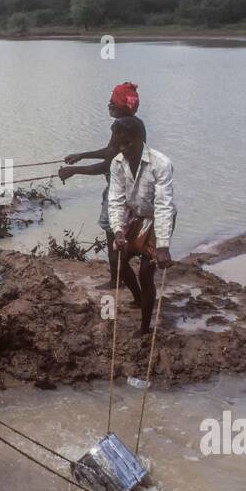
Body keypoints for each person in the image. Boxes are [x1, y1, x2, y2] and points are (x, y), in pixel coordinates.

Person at [57, 82, 141, 296]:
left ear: (122, 106)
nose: (109, 105)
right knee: (119, 236)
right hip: (132, 189)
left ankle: (116, 282)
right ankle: (122, 279)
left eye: (112, 101)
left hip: (118, 192)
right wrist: (81, 155)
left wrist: (74, 171)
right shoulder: (134, 124)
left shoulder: (121, 125)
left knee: (113, 239)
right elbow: (110, 151)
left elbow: (107, 165)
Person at [107, 115, 175, 337]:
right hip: (133, 215)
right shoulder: (117, 163)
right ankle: (138, 298)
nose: (123, 148)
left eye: (128, 143)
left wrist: (163, 245)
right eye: (119, 144)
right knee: (118, 259)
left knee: (146, 272)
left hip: (157, 217)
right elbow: (115, 200)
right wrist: (118, 230)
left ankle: (145, 327)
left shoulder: (160, 163)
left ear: (140, 139)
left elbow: (164, 206)